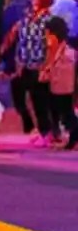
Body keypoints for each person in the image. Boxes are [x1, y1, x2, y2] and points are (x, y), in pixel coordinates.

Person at [2, 0, 59, 147]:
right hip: (25, 64)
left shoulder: (48, 18)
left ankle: (47, 132)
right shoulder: (28, 15)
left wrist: (47, 66)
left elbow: (50, 44)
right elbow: (20, 37)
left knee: (42, 100)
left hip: (39, 64)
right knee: (26, 98)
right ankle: (41, 129)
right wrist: (16, 57)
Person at [42, 19, 77, 150]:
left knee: (66, 112)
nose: (46, 36)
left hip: (63, 88)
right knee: (64, 112)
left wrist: (48, 71)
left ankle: (73, 138)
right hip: (60, 87)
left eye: (48, 33)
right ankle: (72, 138)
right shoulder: (58, 48)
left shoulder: (66, 52)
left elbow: (58, 68)